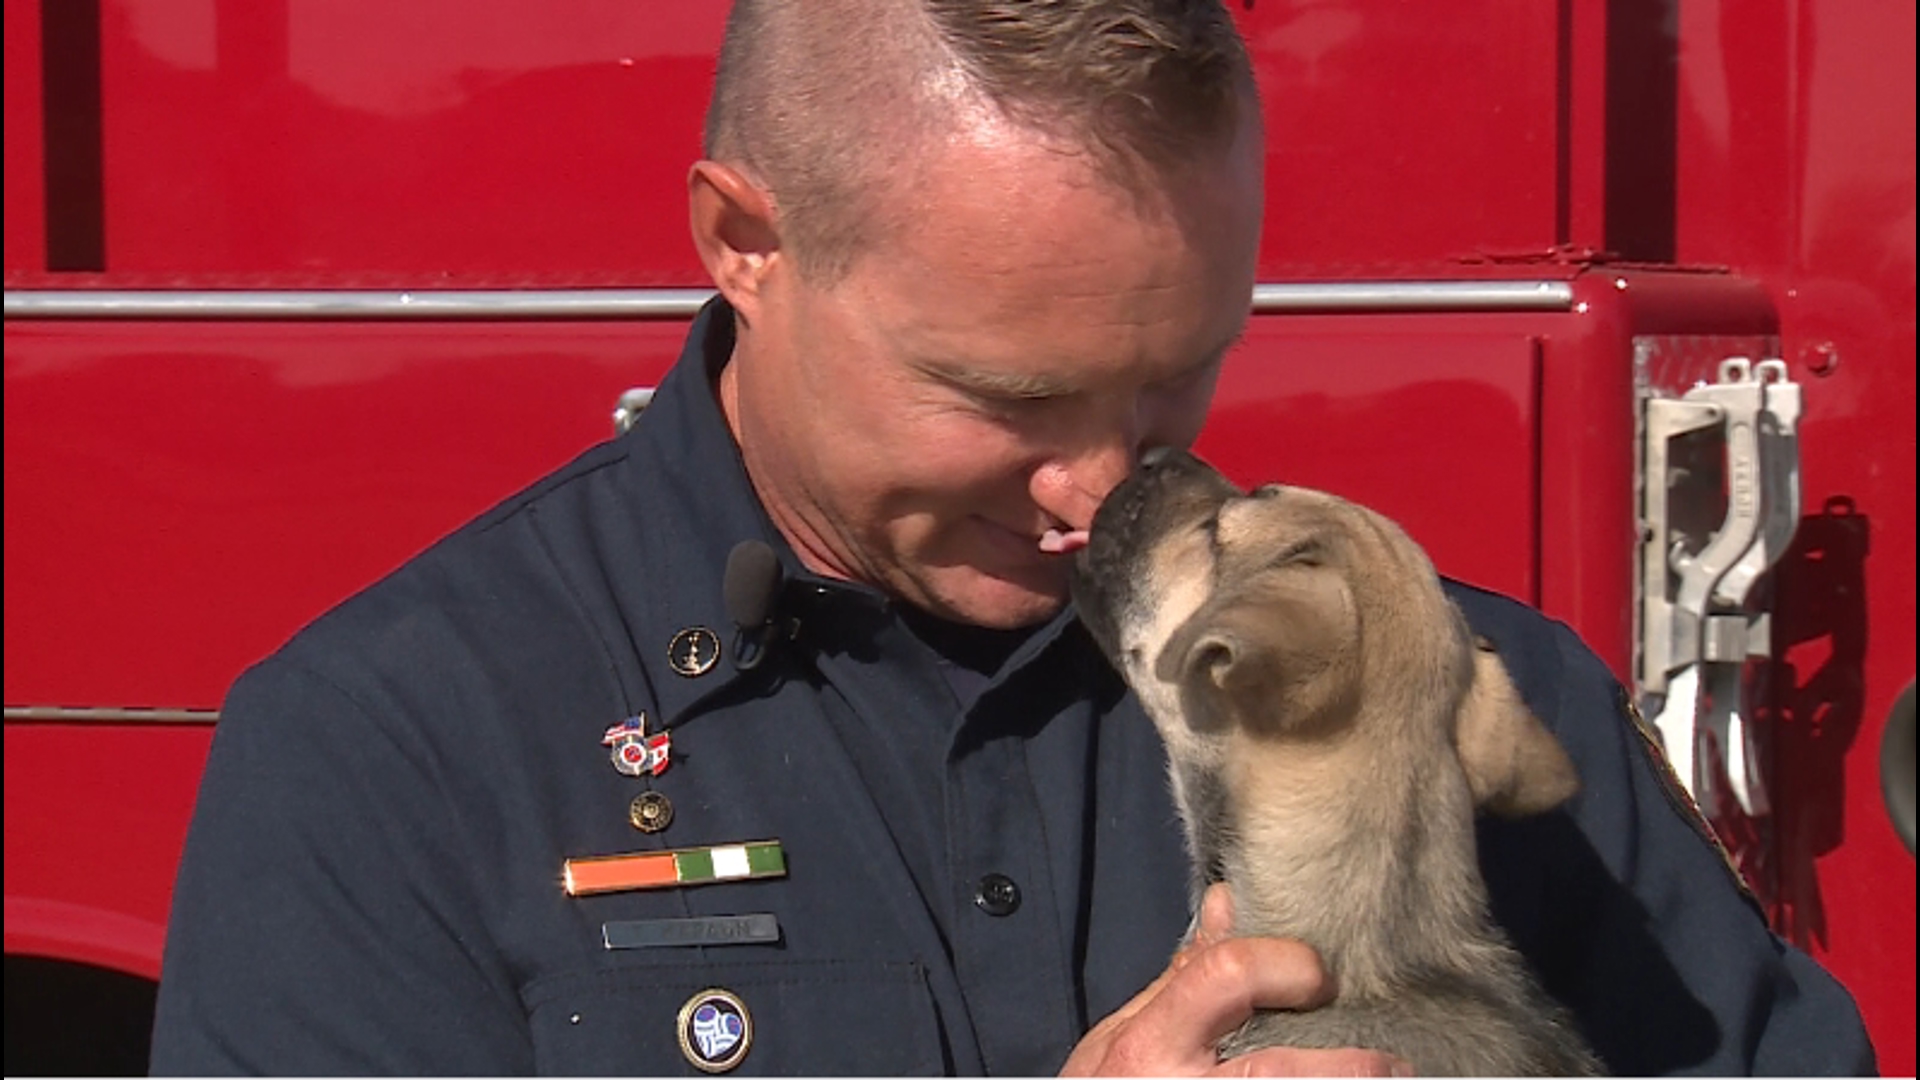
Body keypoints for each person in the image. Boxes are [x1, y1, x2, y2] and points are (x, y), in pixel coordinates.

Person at [150, 0, 1874, 1074]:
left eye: (1177, 382)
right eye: (1007, 396)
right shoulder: (398, 748)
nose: (1101, 493)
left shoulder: (1448, 697)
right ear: (743, 239)